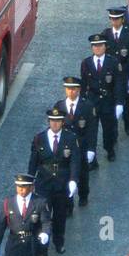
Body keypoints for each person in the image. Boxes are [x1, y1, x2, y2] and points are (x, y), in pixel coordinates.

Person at [27, 108, 78, 254]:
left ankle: (59, 241)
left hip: (61, 183)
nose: (55, 124)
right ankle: (42, 247)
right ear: (49, 122)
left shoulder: (70, 138)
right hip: (43, 183)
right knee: (43, 215)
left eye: (58, 121)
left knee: (60, 215)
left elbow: (74, 161)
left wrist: (73, 179)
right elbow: (33, 163)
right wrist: (30, 182)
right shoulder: (39, 139)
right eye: (52, 121)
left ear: (62, 122)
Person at [81, 32, 125, 161]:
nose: (97, 48)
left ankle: (109, 149)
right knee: (91, 131)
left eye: (100, 45)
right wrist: (83, 102)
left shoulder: (113, 62)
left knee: (108, 128)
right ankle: (92, 157)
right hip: (92, 101)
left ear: (105, 46)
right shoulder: (86, 63)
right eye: (94, 46)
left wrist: (119, 103)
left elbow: (118, 84)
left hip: (108, 100)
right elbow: (84, 84)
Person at [54, 77, 97, 207]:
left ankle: (83, 195)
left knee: (83, 172)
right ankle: (69, 202)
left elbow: (92, 129)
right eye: (68, 89)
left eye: (73, 89)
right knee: (67, 174)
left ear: (78, 90)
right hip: (66, 147)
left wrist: (91, 148)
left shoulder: (87, 106)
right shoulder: (59, 106)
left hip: (82, 146)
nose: (71, 92)